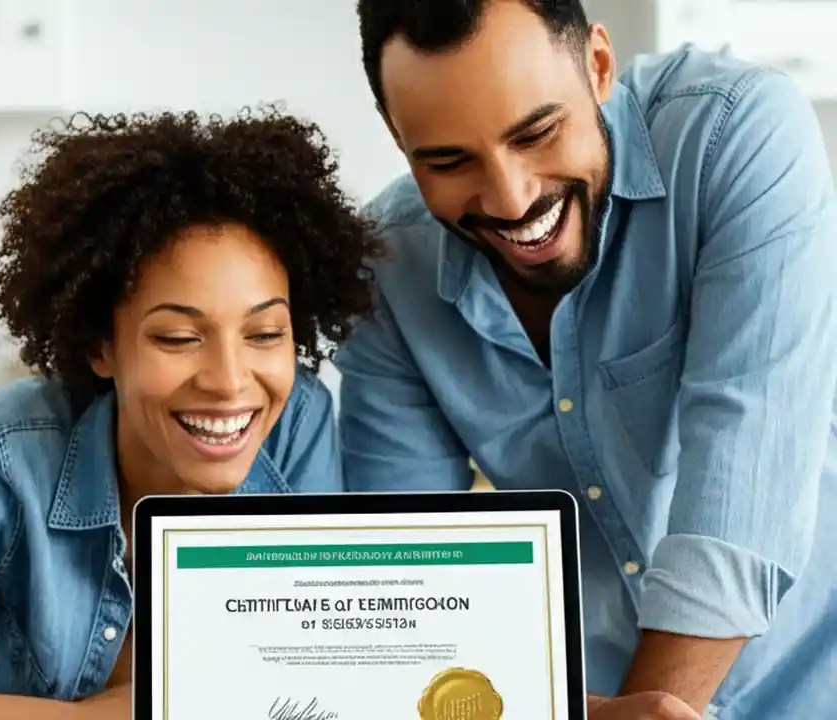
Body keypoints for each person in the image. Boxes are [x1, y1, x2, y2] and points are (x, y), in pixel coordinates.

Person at [0, 108, 382, 719]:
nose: (230, 381)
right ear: (101, 345)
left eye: (265, 333)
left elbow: (309, 672)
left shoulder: (294, 423)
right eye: (178, 338)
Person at [337, 1, 837, 718]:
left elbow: (739, 499)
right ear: (398, 135)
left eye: (537, 133)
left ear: (598, 66)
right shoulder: (388, 269)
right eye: (449, 161)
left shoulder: (736, 131)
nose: (511, 198)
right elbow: (415, 584)